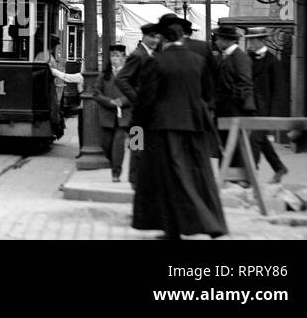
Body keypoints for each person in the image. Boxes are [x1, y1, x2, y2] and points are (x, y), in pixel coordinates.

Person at [132, 17, 227, 240]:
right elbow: (207, 95)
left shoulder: (156, 61)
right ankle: (179, 228)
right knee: (196, 176)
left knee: (169, 179)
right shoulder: (197, 61)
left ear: (164, 38)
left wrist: (136, 126)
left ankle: (196, 224)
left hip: (164, 129)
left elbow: (147, 98)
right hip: (193, 127)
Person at [116, 23, 161, 185]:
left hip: (145, 111)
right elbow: (121, 79)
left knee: (141, 145)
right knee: (137, 146)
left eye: (157, 37)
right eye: (152, 36)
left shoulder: (150, 55)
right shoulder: (138, 55)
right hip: (139, 111)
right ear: (144, 36)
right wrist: (137, 98)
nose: (155, 40)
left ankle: (140, 177)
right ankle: (135, 179)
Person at [212, 23, 256, 169]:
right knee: (224, 146)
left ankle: (236, 179)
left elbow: (245, 83)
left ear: (226, 40)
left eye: (217, 39)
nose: (216, 42)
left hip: (234, 110)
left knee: (234, 147)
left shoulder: (240, 57)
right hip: (223, 110)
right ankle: (226, 178)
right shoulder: (224, 57)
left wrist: (233, 103)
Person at [245, 30, 287, 182]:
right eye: (249, 41)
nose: (251, 44)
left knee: (254, 140)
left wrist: (273, 115)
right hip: (250, 108)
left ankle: (251, 175)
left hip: (264, 110)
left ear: (262, 41)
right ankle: (279, 167)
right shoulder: (248, 58)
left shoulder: (272, 61)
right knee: (261, 140)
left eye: (254, 41)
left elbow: (279, 89)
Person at [96, 44, 128, 182]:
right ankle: (112, 163)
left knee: (118, 145)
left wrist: (122, 101)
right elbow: (96, 93)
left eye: (118, 56)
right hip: (107, 116)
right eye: (113, 55)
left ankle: (116, 172)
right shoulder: (104, 75)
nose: (115, 58)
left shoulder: (128, 74)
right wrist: (109, 102)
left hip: (124, 116)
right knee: (106, 145)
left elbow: (135, 92)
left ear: (123, 58)